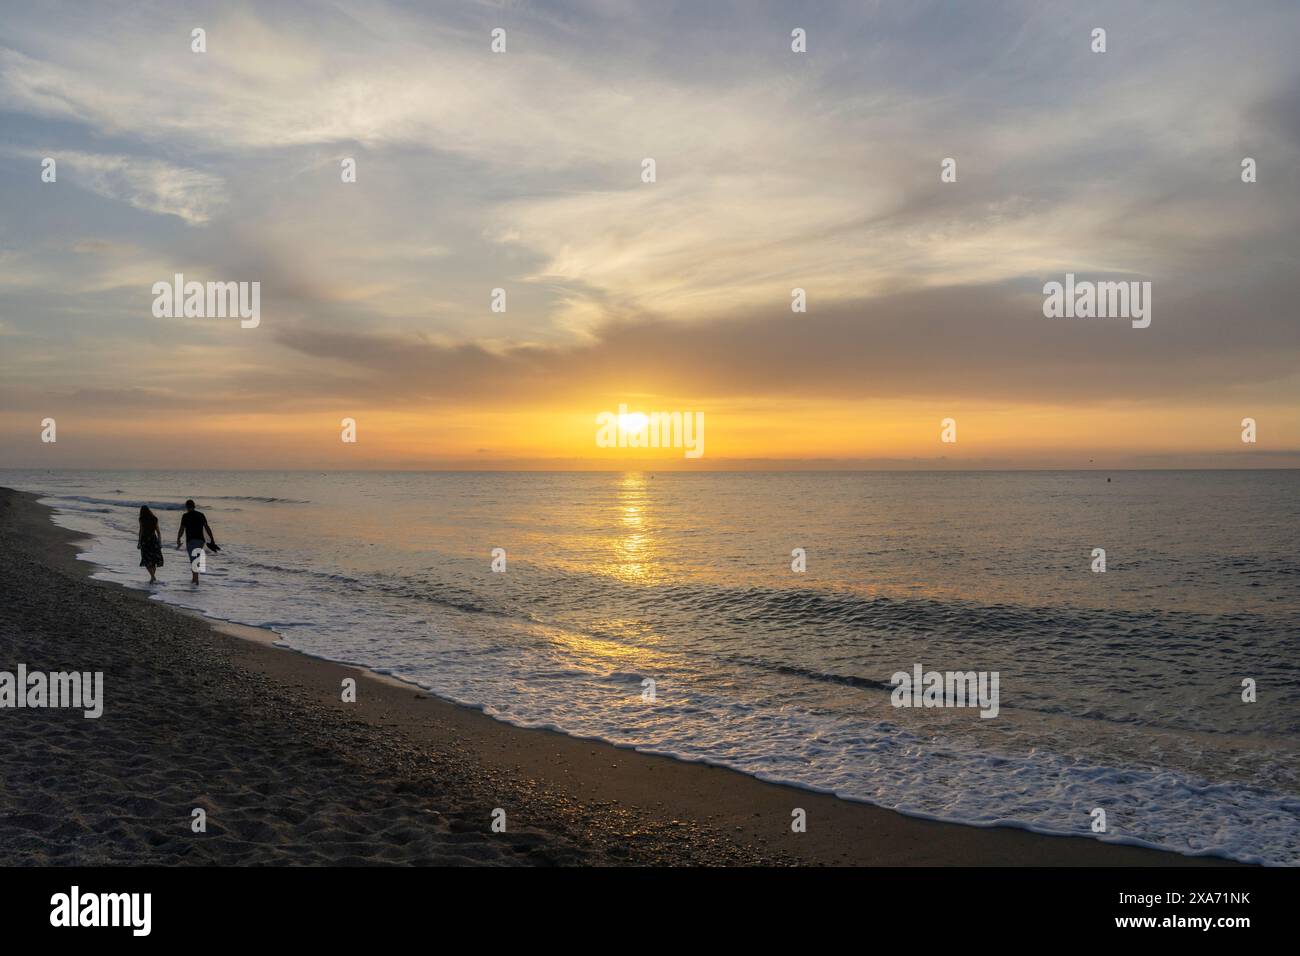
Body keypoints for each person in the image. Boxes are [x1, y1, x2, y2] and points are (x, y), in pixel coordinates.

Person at [176, 499, 217, 584]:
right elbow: (207, 527)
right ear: (194, 506)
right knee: (196, 559)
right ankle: (194, 579)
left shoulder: (185, 516)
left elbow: (182, 529)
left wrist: (178, 538)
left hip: (190, 541)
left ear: (187, 507)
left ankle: (196, 580)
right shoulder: (201, 515)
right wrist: (212, 539)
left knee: (193, 560)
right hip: (200, 541)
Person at [137, 505, 164, 583]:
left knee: (146, 560)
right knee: (154, 560)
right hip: (153, 541)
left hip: (145, 541)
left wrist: (139, 542)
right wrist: (160, 542)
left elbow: (141, 531)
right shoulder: (154, 519)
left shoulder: (141, 519)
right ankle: (153, 577)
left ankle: (152, 577)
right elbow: (158, 532)